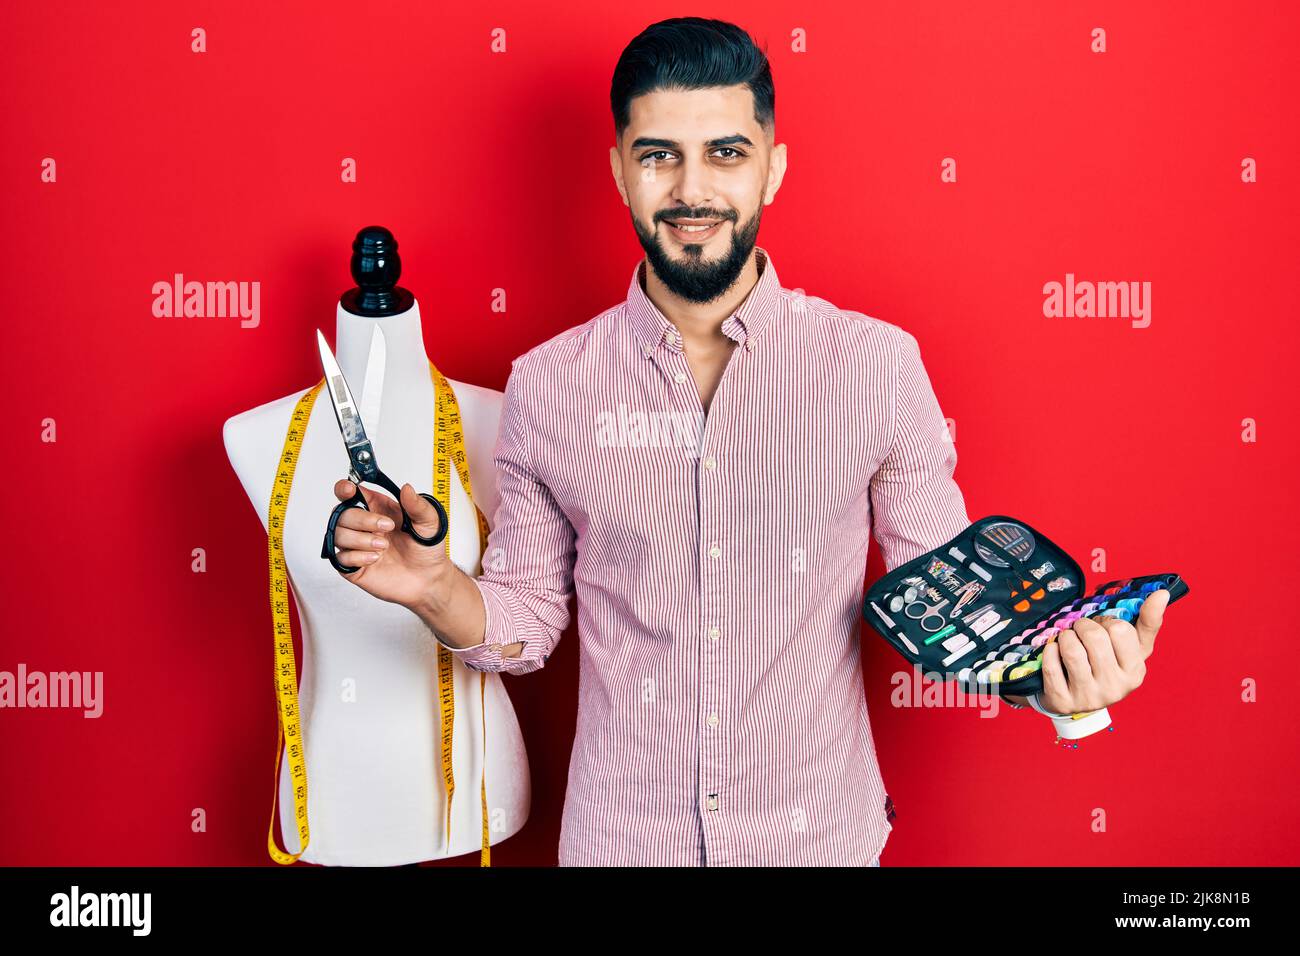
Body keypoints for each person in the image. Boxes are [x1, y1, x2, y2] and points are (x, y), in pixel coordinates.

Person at [326, 17, 1168, 866]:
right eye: (659, 156)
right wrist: (433, 586)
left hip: (821, 843)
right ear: (620, 172)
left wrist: (1067, 687)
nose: (693, 189)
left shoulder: (876, 368)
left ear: (774, 165)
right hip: (621, 846)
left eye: (727, 153)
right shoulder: (548, 384)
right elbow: (526, 627)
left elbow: (949, 601)